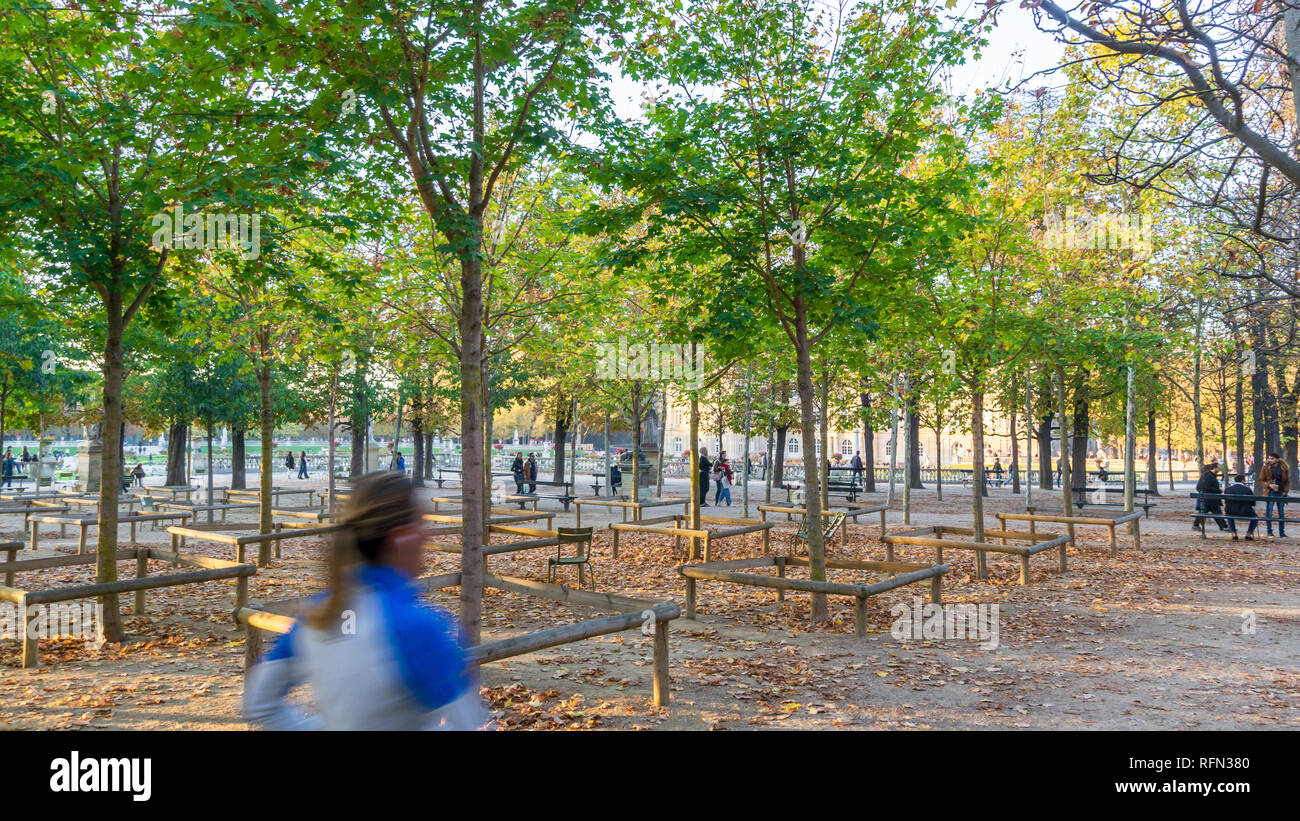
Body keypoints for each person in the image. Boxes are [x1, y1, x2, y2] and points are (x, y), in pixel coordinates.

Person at [243, 471, 486, 730]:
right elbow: (466, 723)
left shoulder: (318, 613)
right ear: (400, 536)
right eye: (421, 524)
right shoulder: (421, 627)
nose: (427, 536)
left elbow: (259, 702)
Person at [1260, 453, 1289, 537]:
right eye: (1269, 458)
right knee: (1269, 512)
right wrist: (1269, 485)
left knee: (1281, 513)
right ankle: (1269, 532)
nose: (1270, 460)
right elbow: (1261, 480)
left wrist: (1285, 491)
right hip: (1270, 492)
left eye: (1272, 458)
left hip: (1280, 492)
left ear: (1277, 459)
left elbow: (1287, 481)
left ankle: (1282, 532)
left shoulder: (1284, 468)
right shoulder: (1265, 467)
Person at [1223, 473, 1259, 541]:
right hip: (1245, 512)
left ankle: (1234, 534)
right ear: (1243, 480)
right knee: (1255, 518)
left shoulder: (1228, 489)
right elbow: (1253, 503)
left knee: (1229, 515)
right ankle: (1248, 534)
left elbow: (1226, 502)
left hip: (1231, 511)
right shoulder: (1247, 489)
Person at [1194, 464, 1229, 532]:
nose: (1219, 469)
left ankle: (1195, 525)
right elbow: (1207, 487)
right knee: (1217, 512)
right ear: (1214, 468)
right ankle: (1224, 526)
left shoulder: (1207, 475)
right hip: (1211, 499)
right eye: (1218, 468)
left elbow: (1199, 487)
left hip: (1207, 498)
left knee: (1208, 512)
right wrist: (1219, 490)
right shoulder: (1210, 476)